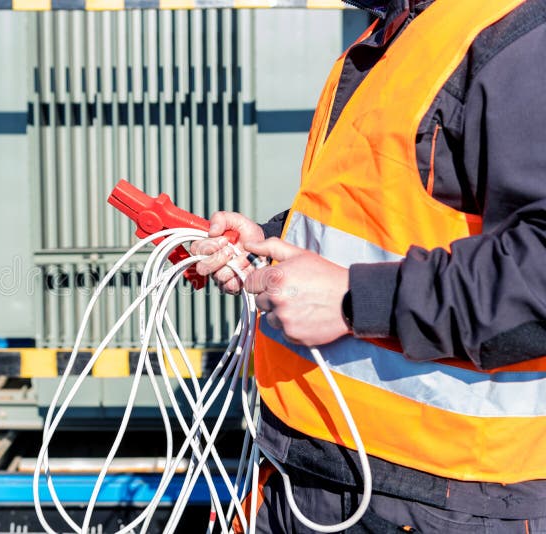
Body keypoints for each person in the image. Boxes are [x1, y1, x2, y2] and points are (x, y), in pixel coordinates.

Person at [191, 0, 546, 531]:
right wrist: (268, 241)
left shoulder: (516, 34)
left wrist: (352, 301)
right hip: (312, 467)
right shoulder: (393, 37)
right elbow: (375, 216)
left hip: (449, 497)